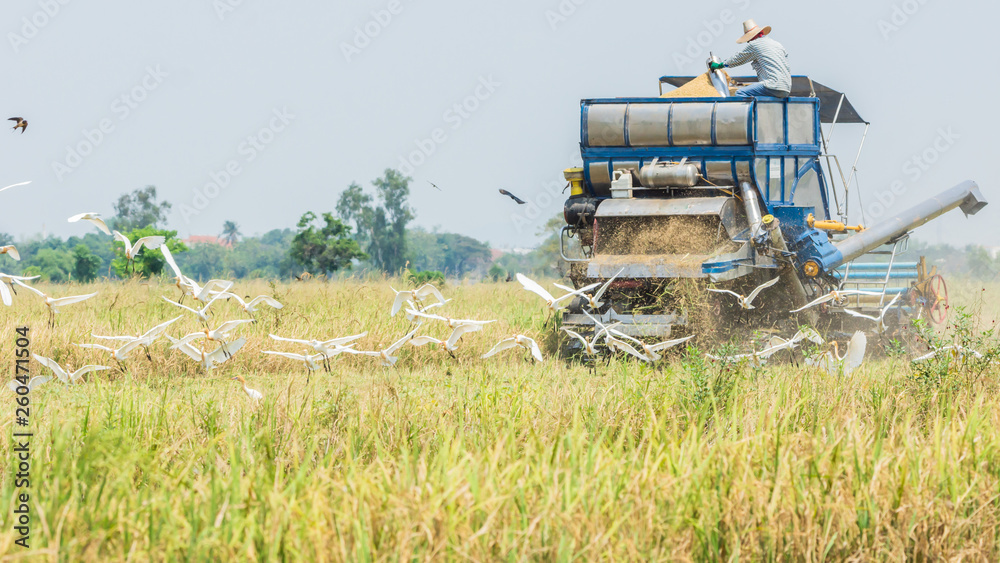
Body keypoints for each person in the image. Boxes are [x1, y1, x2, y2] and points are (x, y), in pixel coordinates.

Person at [709, 19, 791, 98]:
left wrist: (720, 65)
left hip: (772, 85)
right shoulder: (777, 44)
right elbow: (787, 66)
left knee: (740, 93)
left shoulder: (755, 45)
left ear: (750, 36)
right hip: (786, 88)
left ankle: (750, 112)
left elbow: (738, 59)